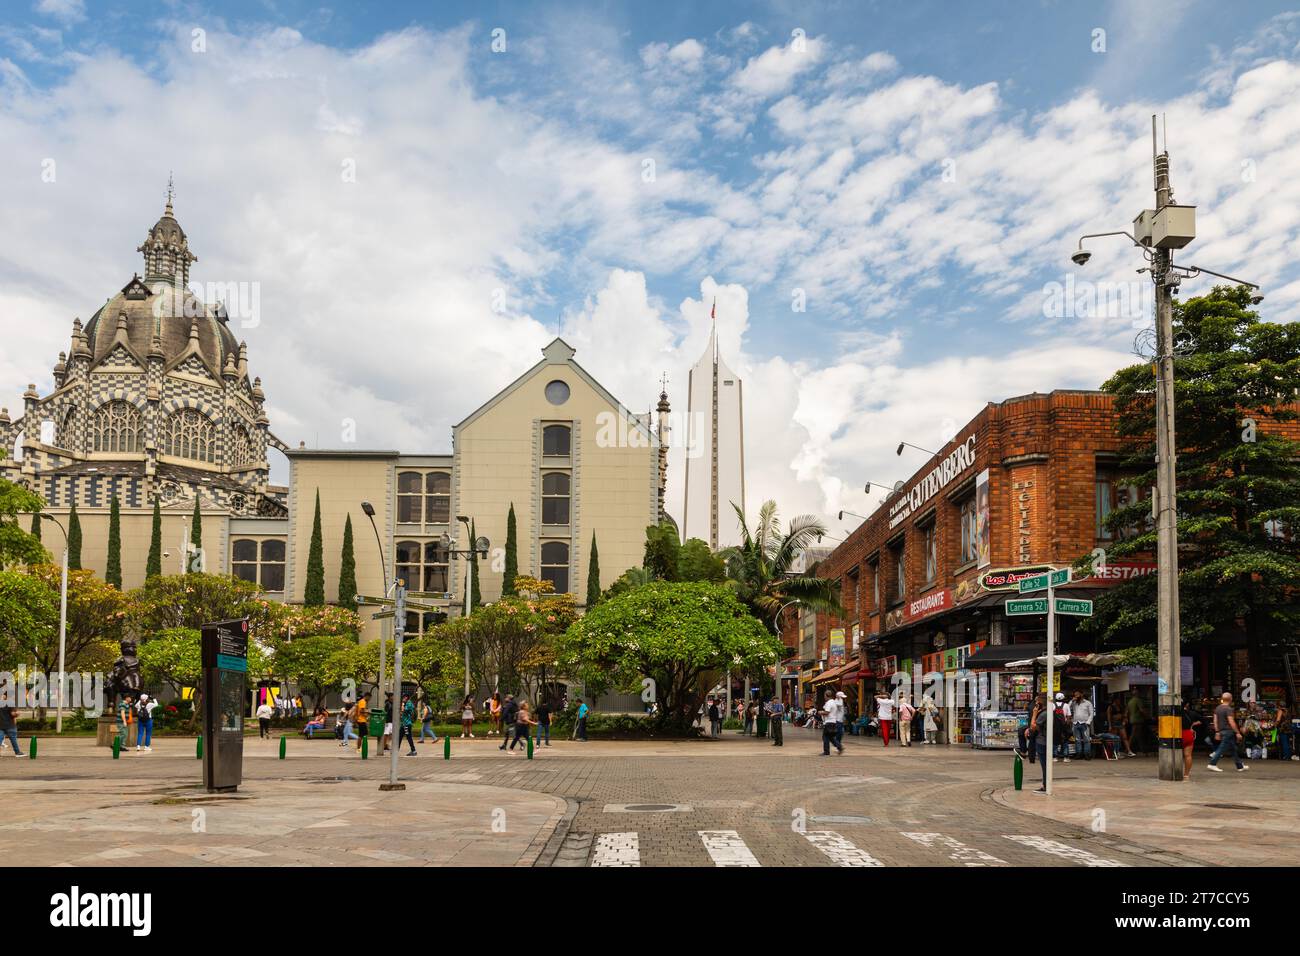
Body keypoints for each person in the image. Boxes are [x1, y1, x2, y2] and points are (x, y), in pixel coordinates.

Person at [1207, 692, 1247, 773]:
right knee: (1221, 748)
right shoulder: (1228, 709)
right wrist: (1237, 732)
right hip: (1228, 731)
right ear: (1231, 699)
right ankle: (1212, 763)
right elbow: (1231, 721)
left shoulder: (1217, 708)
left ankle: (1239, 766)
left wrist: (1217, 731)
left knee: (1233, 749)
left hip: (1221, 731)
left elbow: (1215, 721)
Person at [1027, 693, 1049, 792]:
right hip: (1044, 740)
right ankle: (1046, 785)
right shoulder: (1046, 712)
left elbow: (1033, 726)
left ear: (1040, 703)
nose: (1035, 704)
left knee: (1044, 765)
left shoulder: (1043, 714)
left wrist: (1034, 713)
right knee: (1045, 765)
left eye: (1036, 702)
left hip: (1042, 741)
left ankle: (1045, 786)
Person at [1181, 700, 1202, 779]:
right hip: (1188, 734)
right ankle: (1186, 775)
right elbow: (1202, 720)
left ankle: (1175, 772)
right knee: (1188, 755)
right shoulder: (1192, 713)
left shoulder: (1176, 713)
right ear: (1187, 704)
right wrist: (1192, 725)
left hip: (1178, 734)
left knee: (1175, 755)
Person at [1071, 690, 1094, 761]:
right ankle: (1079, 754)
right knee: (1077, 740)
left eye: (1077, 694)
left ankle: (1087, 754)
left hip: (1084, 723)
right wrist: (1072, 701)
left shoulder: (1087, 703)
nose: (1076, 696)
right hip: (1075, 723)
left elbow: (1091, 713)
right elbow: (1068, 708)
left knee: (1086, 740)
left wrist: (1088, 722)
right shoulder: (1074, 703)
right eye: (1075, 695)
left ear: (1081, 694)